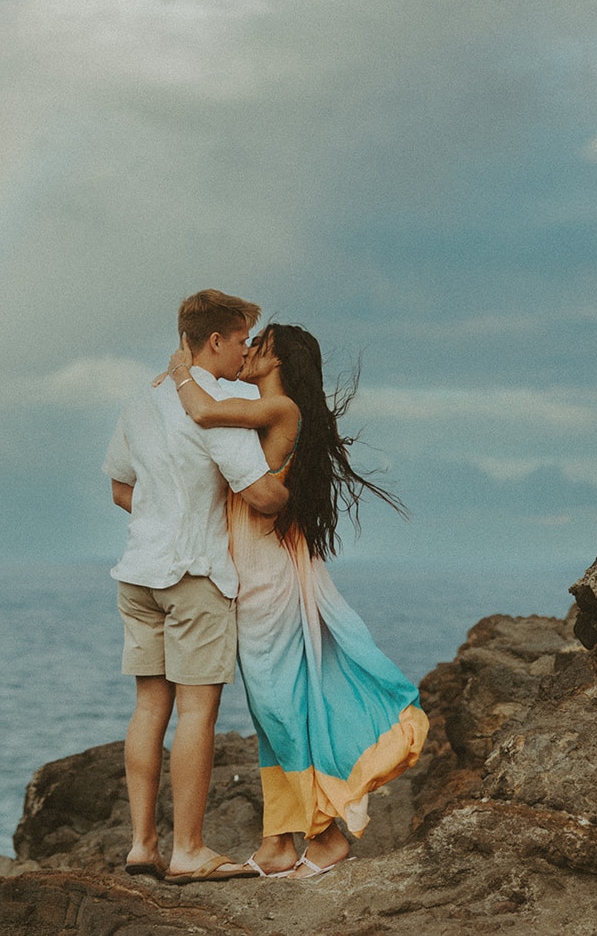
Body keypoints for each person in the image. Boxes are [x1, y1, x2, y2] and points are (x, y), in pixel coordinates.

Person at [163, 323, 428, 879]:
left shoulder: (280, 408)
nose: (249, 349)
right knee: (268, 711)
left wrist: (182, 369)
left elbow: (204, 414)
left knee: (281, 707)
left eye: (258, 344)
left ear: (278, 357)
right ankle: (279, 842)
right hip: (249, 572)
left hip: (270, 579)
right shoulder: (261, 407)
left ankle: (327, 836)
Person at [102, 289, 289, 884]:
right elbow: (259, 494)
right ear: (215, 340)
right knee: (197, 715)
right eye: (240, 342)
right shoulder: (226, 397)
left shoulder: (142, 397)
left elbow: (120, 490)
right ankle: (188, 852)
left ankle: (141, 846)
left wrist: (163, 517)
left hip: (139, 572)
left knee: (148, 707)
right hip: (195, 575)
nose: (244, 354)